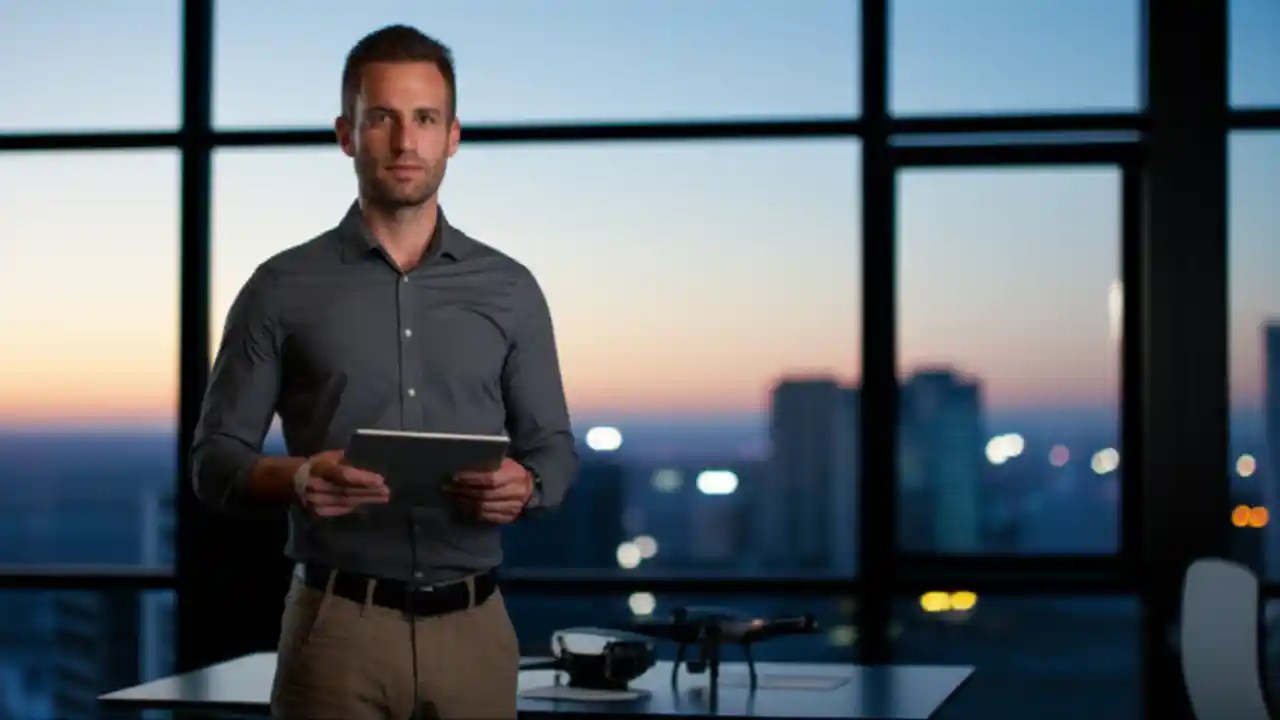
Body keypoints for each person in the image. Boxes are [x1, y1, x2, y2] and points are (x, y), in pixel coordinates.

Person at [190, 23, 579, 719]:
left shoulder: (511, 289)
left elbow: (554, 450)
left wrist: (530, 484)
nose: (406, 143)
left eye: (425, 119)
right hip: (336, 632)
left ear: (453, 135)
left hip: (478, 632)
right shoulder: (279, 287)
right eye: (382, 119)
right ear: (347, 133)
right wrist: (300, 476)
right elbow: (213, 464)